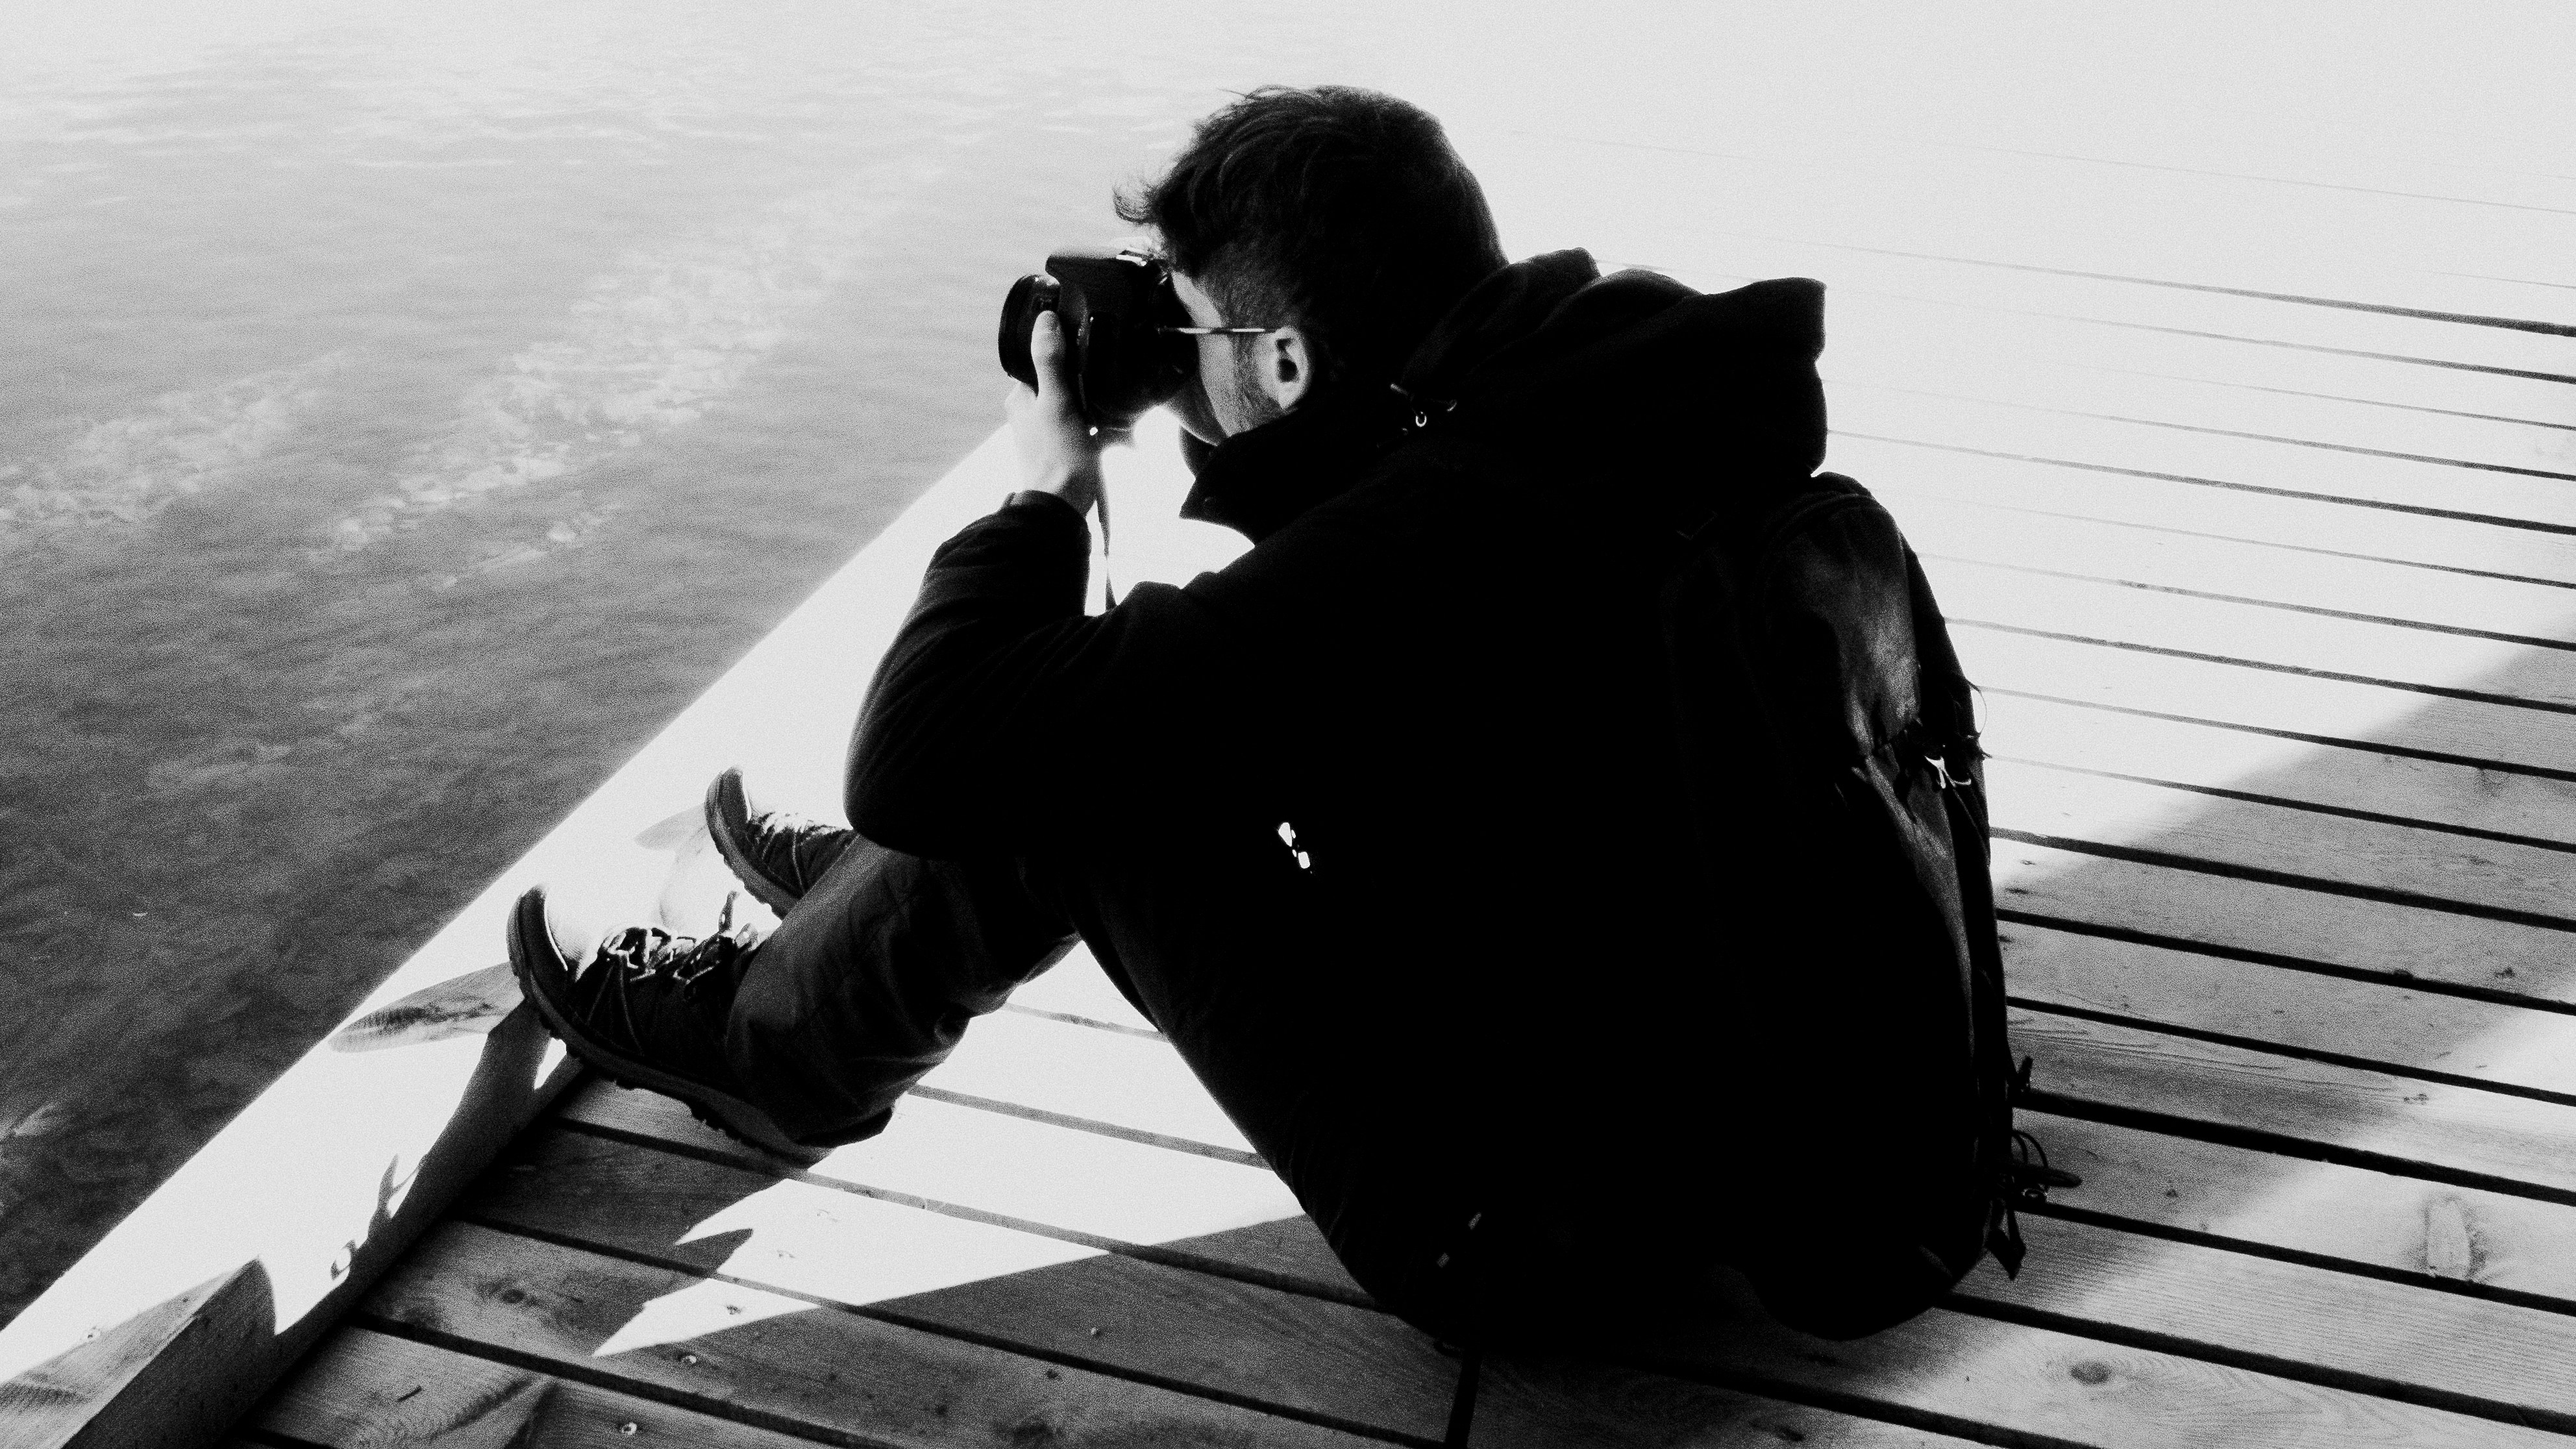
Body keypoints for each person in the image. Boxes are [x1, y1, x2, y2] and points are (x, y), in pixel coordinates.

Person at [509, 83, 1847, 1352]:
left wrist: (1045, 499)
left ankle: (777, 1052)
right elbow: (1314, 636)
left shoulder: (1427, 541)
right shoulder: (1622, 393)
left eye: (1191, 329)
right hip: (1739, 1103)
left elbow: (915, 753)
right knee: (1106, 711)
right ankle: (875, 907)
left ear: (1281, 354)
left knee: (1074, 765)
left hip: (1533, 1236)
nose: (1175, 358)